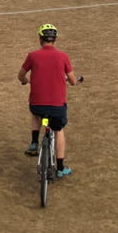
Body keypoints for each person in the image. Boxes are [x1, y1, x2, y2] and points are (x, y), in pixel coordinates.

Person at [18, 23, 78, 179]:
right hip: (57, 106)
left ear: (40, 38)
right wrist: (75, 82)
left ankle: (33, 143)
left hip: (37, 105)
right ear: (55, 39)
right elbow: (72, 80)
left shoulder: (33, 55)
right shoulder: (63, 56)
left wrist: (24, 80)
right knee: (59, 131)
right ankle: (60, 167)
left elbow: (21, 74)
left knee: (35, 114)